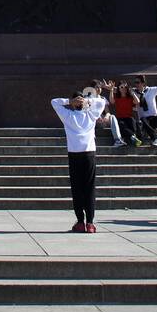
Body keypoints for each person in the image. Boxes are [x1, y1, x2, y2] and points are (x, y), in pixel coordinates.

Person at [50, 86, 107, 233]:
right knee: (89, 188)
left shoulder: (67, 115)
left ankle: (80, 221)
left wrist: (69, 101)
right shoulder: (91, 115)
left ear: (74, 103)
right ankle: (90, 223)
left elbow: (54, 102)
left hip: (74, 154)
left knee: (77, 189)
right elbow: (101, 102)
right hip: (89, 154)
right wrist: (87, 100)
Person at [107, 80, 144, 147]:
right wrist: (111, 90)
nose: (123, 89)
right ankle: (133, 137)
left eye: (125, 87)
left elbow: (137, 101)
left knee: (132, 125)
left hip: (129, 117)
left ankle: (130, 137)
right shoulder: (117, 98)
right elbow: (112, 101)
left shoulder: (130, 97)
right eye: (121, 87)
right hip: (120, 118)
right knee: (121, 124)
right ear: (118, 88)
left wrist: (132, 93)